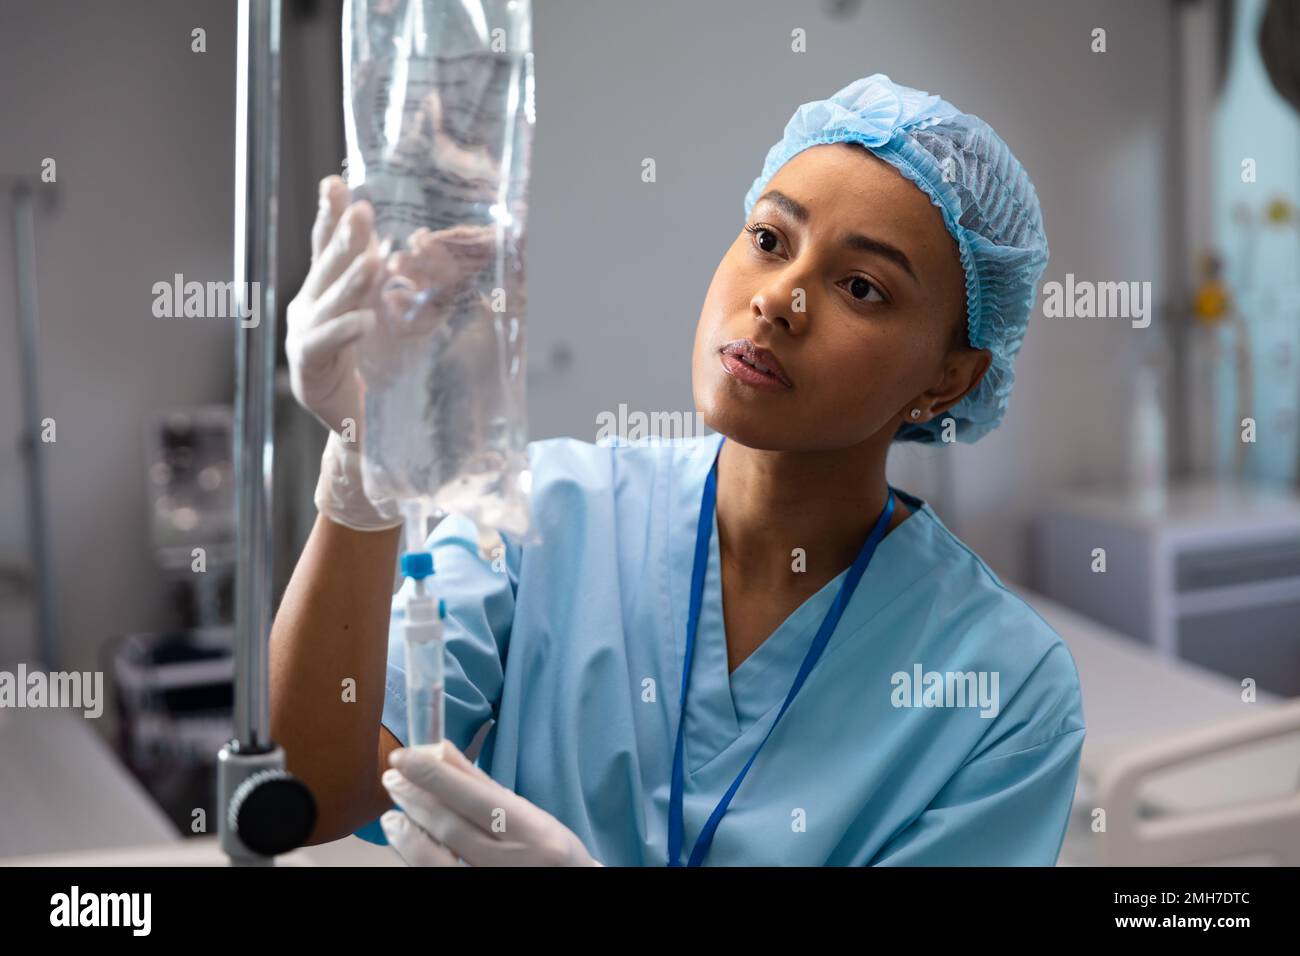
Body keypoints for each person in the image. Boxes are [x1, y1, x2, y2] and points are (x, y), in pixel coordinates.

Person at [270, 73, 1085, 866]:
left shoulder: (1005, 688)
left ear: (948, 380)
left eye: (862, 287)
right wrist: (364, 462)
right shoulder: (544, 517)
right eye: (769, 240)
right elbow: (310, 791)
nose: (780, 299)